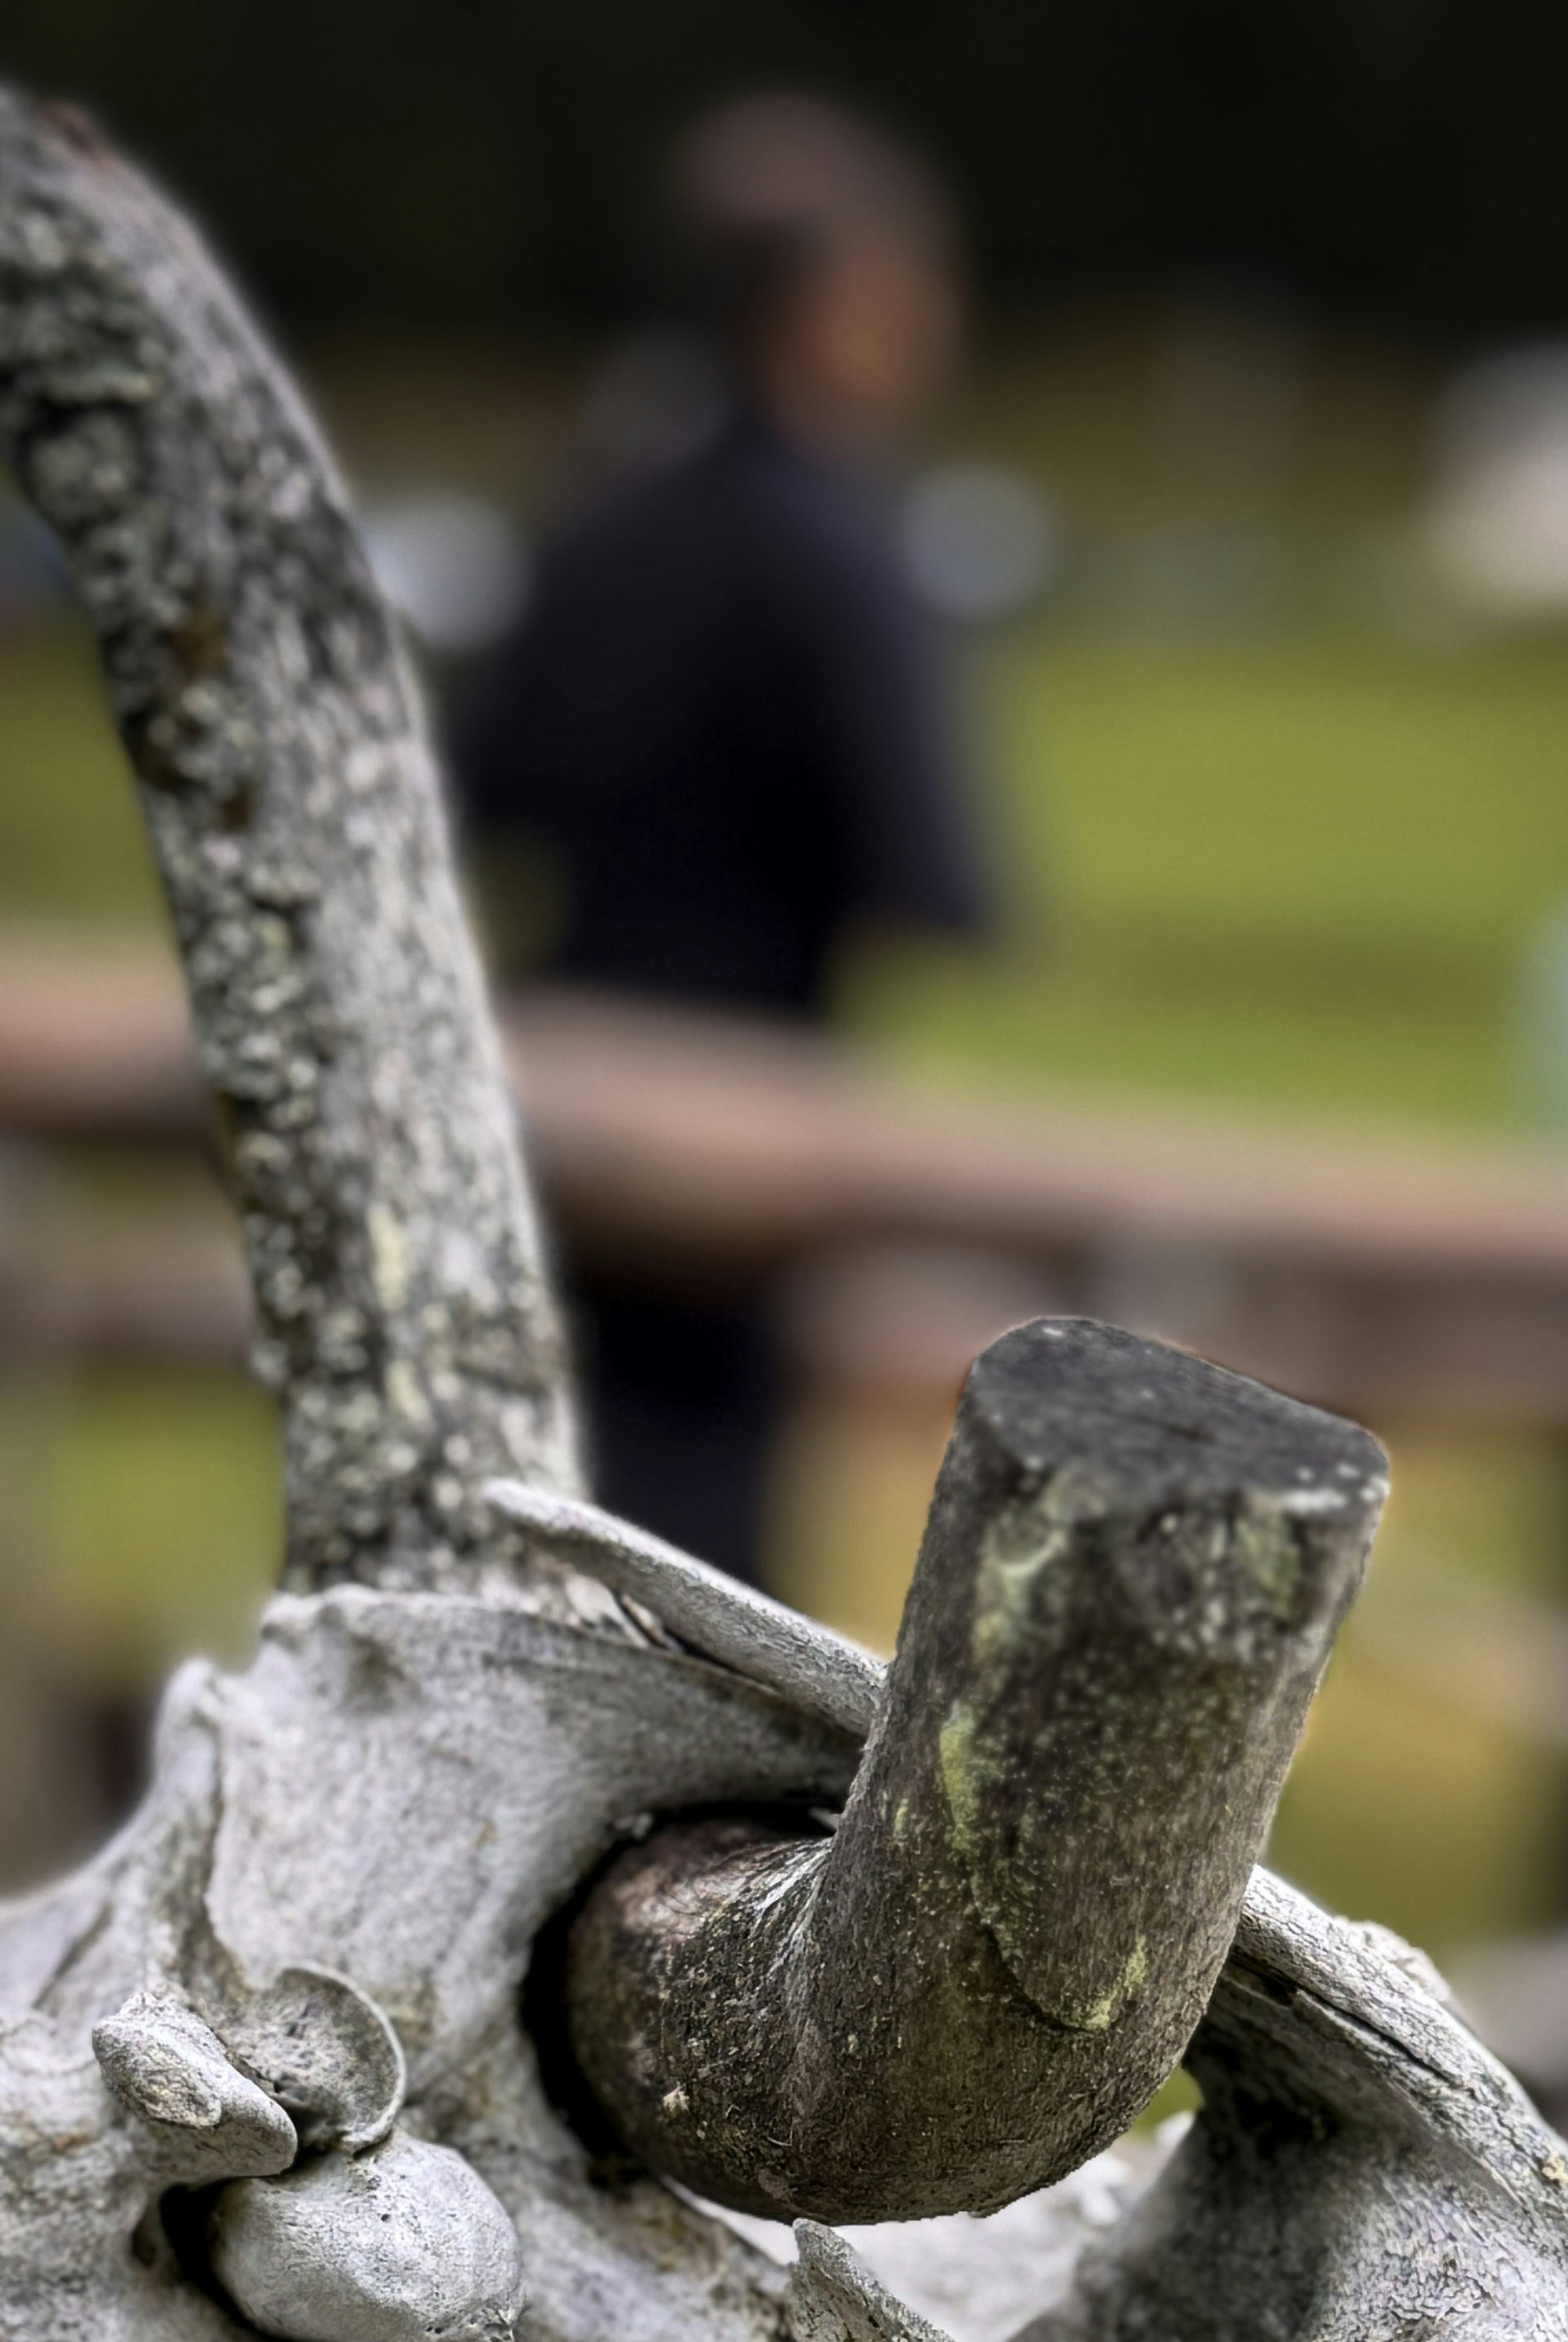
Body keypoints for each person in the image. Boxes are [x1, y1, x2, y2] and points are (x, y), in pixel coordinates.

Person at [452, 94, 993, 1583]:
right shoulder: (837, 544)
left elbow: (469, 789)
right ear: (831, 308)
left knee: (538, 1517)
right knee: (702, 1567)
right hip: (755, 1108)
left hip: (554, 1081)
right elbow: (942, 880)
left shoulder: (595, 513)